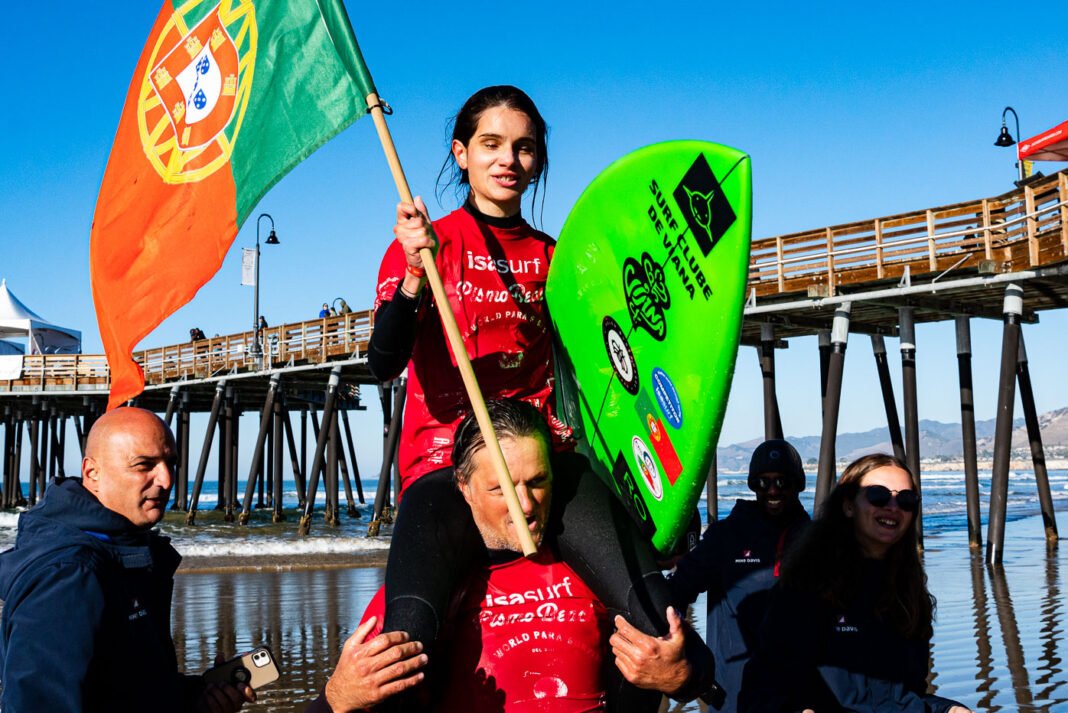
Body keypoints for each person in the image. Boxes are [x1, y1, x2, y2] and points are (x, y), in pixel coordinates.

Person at [367, 87, 687, 710]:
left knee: (655, 621)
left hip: (544, 466)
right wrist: (412, 275)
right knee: (405, 650)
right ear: (461, 154)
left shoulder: (555, 259)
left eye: (524, 147)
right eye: (490, 144)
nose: (507, 158)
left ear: (537, 160)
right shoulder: (432, 247)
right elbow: (383, 363)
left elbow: (609, 365)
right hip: (446, 469)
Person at [309, 399, 718, 712]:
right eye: (500, 488)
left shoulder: (592, 568)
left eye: (537, 481)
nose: (524, 504)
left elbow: (696, 668)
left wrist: (679, 676)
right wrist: (336, 698)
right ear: (464, 488)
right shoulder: (427, 591)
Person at [0, 407, 254, 713]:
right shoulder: (70, 575)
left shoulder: (123, 554)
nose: (166, 479)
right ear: (92, 472)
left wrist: (195, 700)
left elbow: (126, 688)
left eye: (170, 463)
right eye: (144, 465)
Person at [739, 454, 973, 713]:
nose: (893, 507)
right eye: (878, 495)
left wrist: (949, 709)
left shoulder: (909, 593)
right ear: (848, 506)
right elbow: (759, 693)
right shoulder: (806, 588)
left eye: (906, 500)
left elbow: (906, 697)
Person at [668, 439, 810, 712]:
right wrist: (690, 667)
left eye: (781, 482)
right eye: (761, 482)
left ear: (798, 484)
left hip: (797, 699)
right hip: (733, 697)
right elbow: (676, 593)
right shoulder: (725, 536)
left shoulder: (815, 541)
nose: (771, 490)